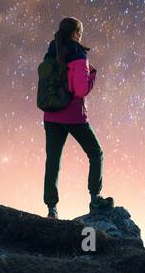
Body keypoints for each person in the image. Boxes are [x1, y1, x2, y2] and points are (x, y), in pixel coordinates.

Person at [42, 17, 111, 219]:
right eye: (80, 32)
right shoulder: (78, 53)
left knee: (52, 161)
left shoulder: (51, 50)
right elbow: (80, 90)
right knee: (96, 153)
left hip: (51, 115)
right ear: (76, 33)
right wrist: (92, 76)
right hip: (73, 116)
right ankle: (95, 199)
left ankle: (51, 209)